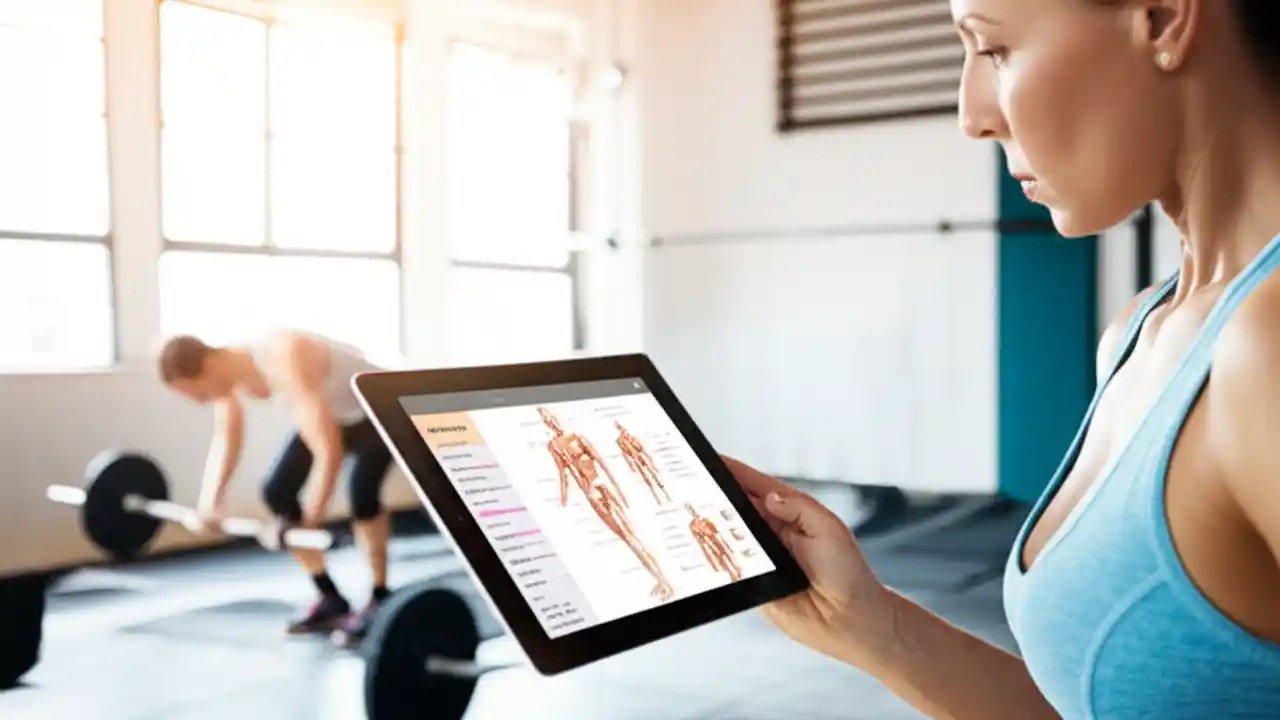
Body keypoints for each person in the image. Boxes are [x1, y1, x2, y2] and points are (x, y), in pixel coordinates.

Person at [726, 1, 1280, 717]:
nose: (971, 113)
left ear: (1165, 16)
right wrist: (873, 625)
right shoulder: (1141, 331)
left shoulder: (1265, 345)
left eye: (992, 50)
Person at [157, 331, 393, 642]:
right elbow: (228, 439)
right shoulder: (228, 376)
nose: (203, 402)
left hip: (382, 409)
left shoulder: (285, 355)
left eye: (198, 394)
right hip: (336, 416)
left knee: (362, 493)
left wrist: (309, 522)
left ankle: (380, 598)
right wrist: (210, 504)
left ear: (209, 366)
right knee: (277, 491)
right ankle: (330, 599)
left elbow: (329, 453)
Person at [539, 407, 676, 601]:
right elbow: (564, 475)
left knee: (631, 536)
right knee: (627, 539)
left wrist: (618, 489)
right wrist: (561, 503)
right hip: (592, 494)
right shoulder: (554, 446)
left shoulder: (576, 437)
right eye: (546, 419)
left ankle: (664, 581)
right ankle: (661, 579)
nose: (551, 421)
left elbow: (602, 463)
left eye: (551, 416)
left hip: (602, 488)